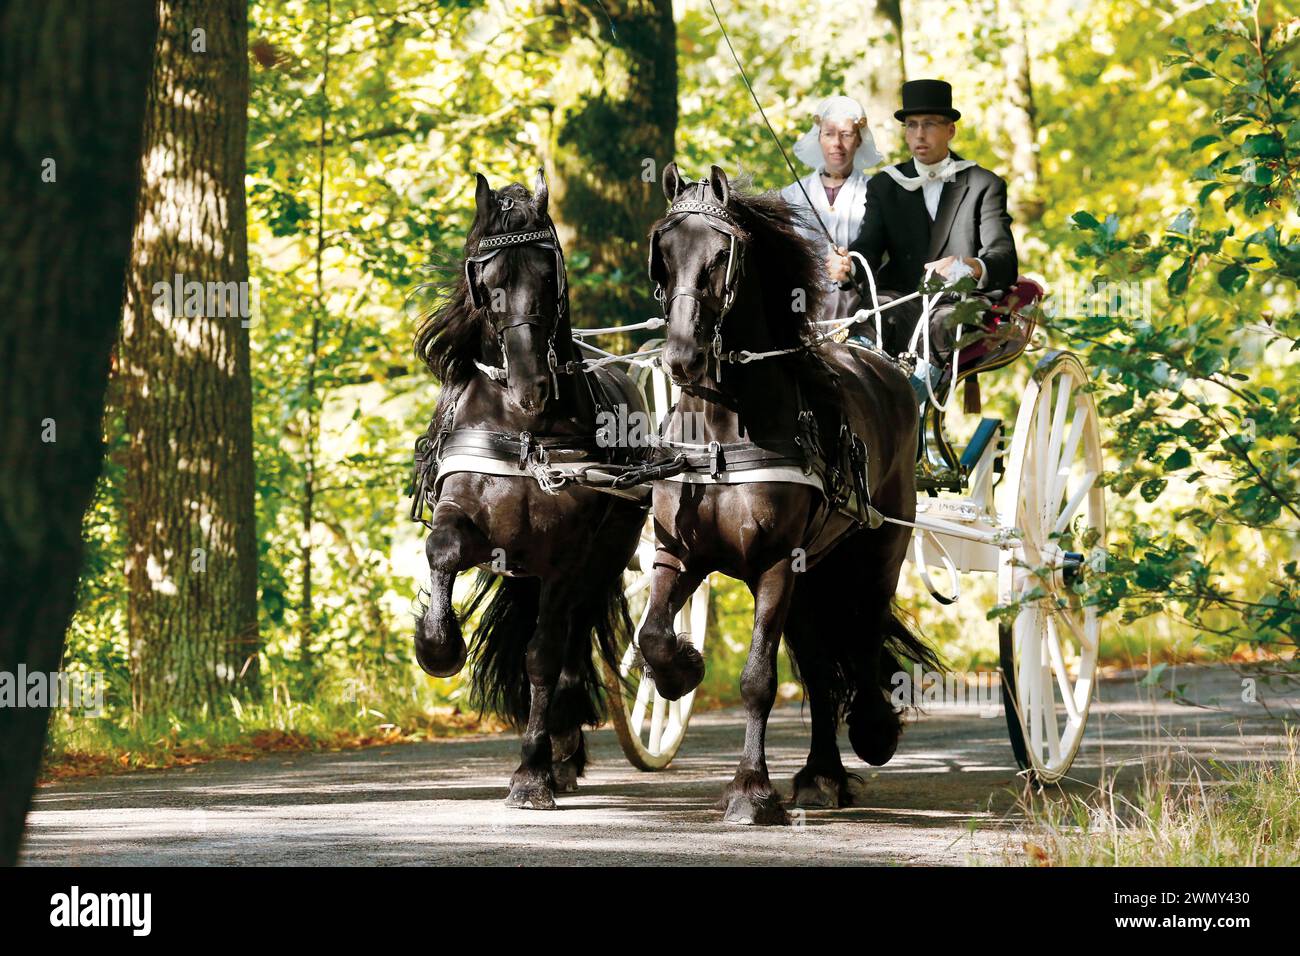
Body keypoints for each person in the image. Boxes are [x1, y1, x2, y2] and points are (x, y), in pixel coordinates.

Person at [828, 79, 1017, 399]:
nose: (919, 134)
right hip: (898, 298)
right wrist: (848, 267)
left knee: (940, 325)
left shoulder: (984, 183)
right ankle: (853, 404)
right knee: (874, 317)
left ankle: (907, 410)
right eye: (912, 125)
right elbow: (868, 248)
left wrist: (969, 265)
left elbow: (1003, 257)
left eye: (929, 124)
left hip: (955, 303)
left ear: (950, 130)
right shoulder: (885, 186)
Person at [780, 95, 883, 325]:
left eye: (846, 134)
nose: (837, 143)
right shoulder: (791, 195)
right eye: (829, 134)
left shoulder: (877, 192)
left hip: (860, 312)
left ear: (859, 140)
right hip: (802, 309)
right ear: (819, 137)